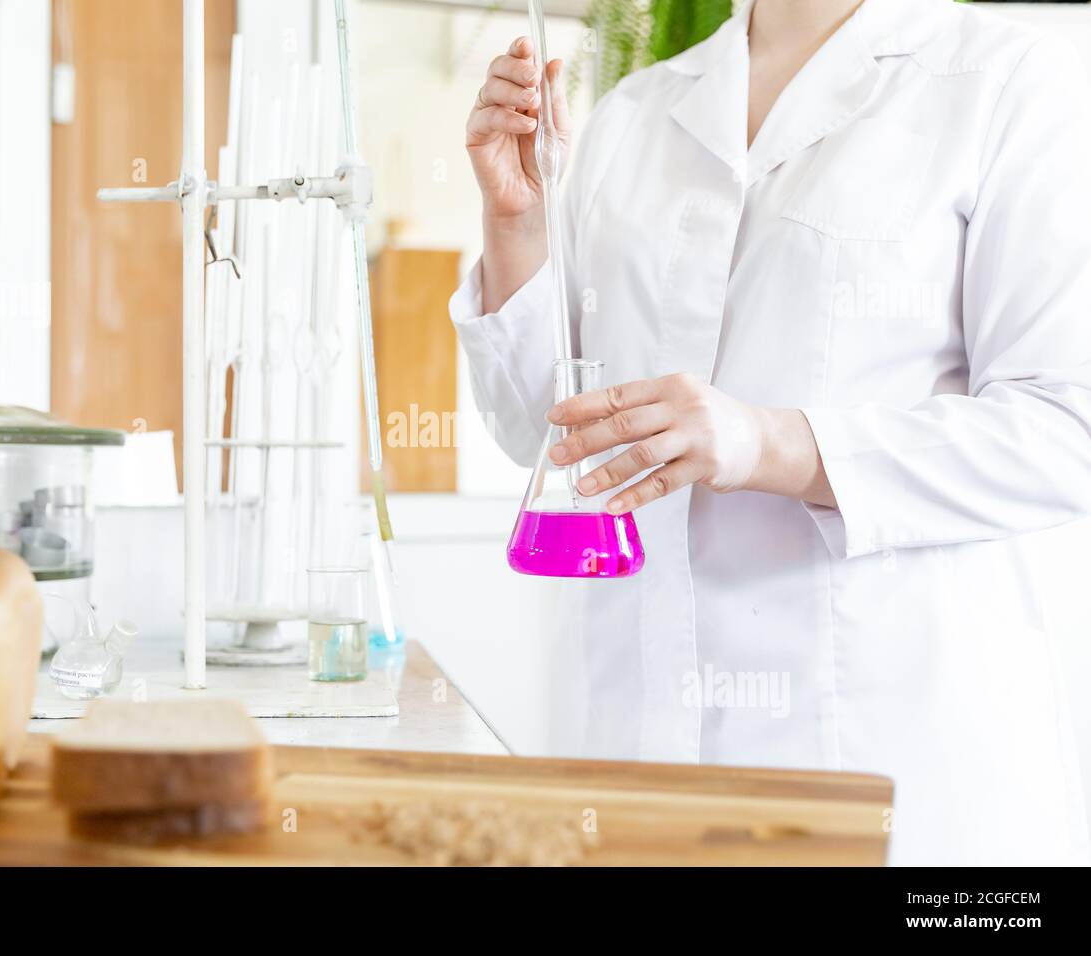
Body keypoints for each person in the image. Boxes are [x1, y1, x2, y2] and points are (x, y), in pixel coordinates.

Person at [452, 0, 1091, 865]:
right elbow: (547, 434)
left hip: (886, 757)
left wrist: (769, 444)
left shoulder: (1004, 83)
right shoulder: (636, 116)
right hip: (640, 745)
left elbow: (1064, 428)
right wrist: (517, 226)